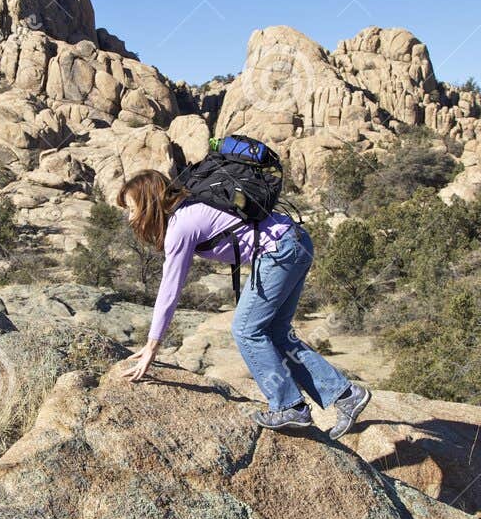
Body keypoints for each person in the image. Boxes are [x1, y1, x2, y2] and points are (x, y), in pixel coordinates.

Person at [113, 168, 371, 438]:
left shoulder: (181, 225)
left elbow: (170, 289)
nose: (131, 217)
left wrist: (152, 345)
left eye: (132, 208)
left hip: (279, 251)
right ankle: (346, 395)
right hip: (295, 241)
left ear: (149, 202)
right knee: (276, 333)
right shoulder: (191, 207)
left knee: (246, 329)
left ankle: (289, 406)